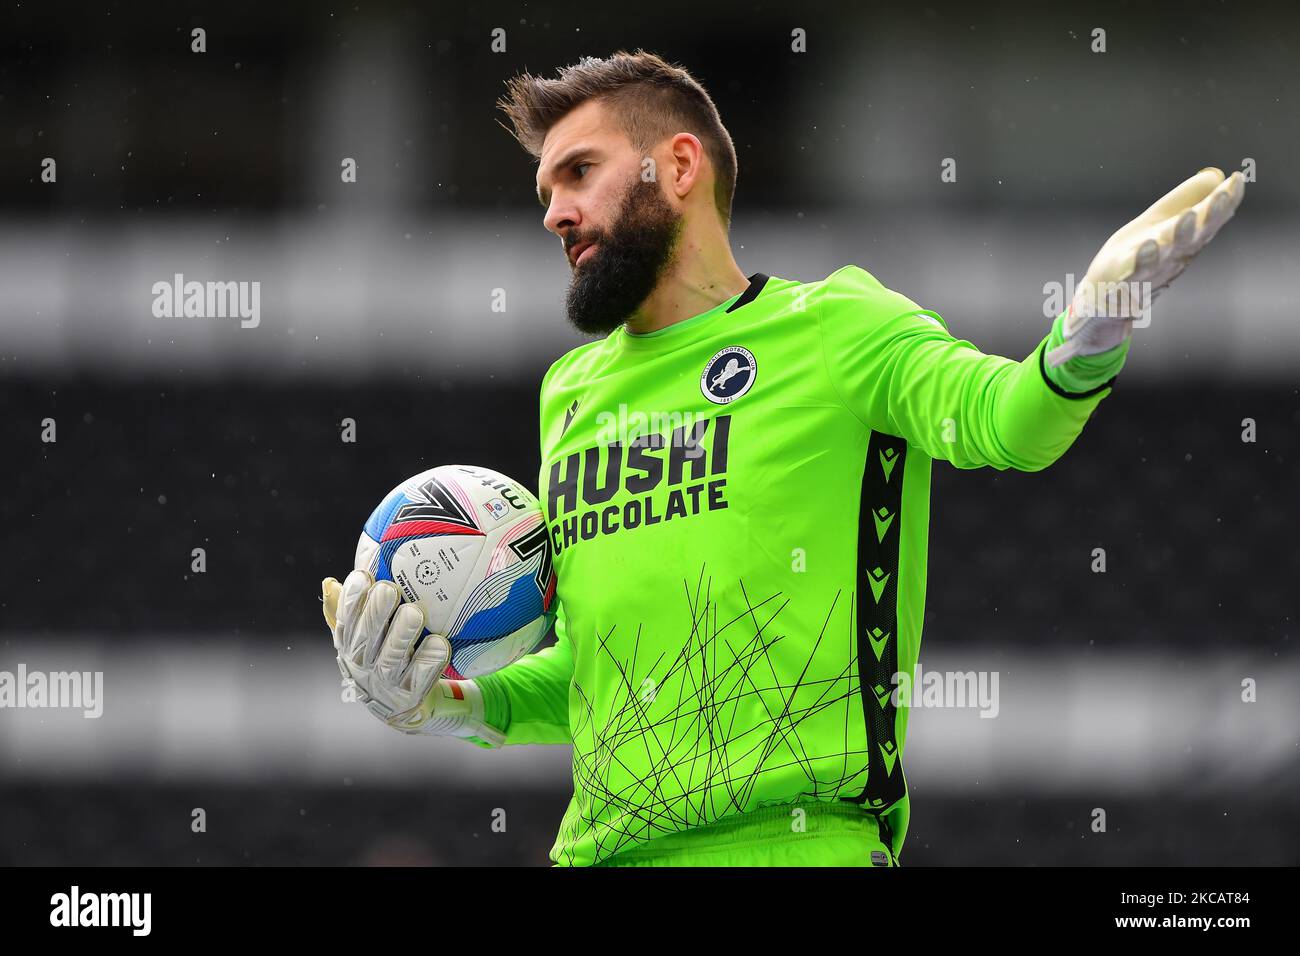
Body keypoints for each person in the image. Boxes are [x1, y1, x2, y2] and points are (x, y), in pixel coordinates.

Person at [323, 49, 1244, 867]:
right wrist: (448, 704)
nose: (556, 211)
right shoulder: (571, 393)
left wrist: (1087, 338)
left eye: (579, 172)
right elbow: (599, 677)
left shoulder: (837, 326)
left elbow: (1006, 424)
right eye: (546, 192)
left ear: (677, 165)